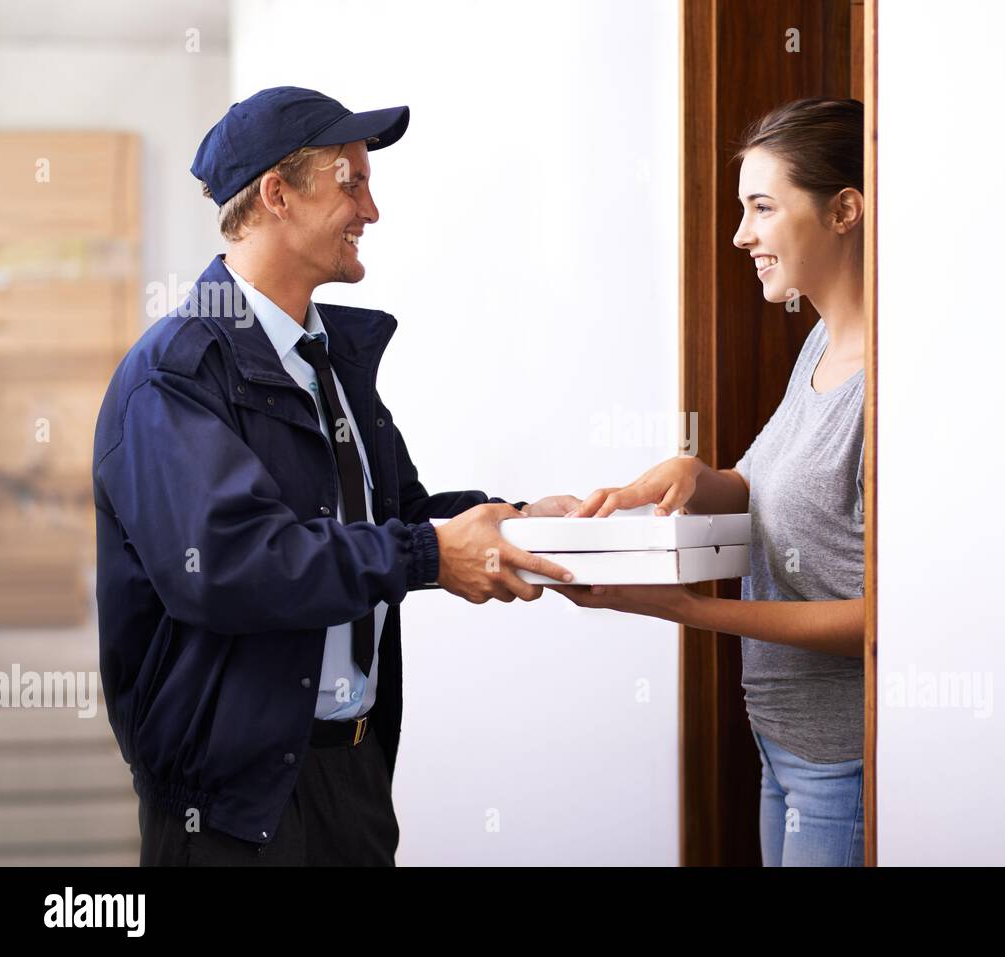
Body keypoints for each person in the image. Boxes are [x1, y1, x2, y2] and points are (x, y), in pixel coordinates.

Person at [92, 86, 578, 866]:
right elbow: (230, 564)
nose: (372, 210)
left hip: (350, 775)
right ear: (277, 195)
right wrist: (428, 553)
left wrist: (518, 520)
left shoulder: (331, 362)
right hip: (230, 809)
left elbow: (392, 516)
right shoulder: (175, 375)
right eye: (350, 182)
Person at [555, 98, 865, 867]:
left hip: (843, 765)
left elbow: (877, 620)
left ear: (844, 210)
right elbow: (767, 490)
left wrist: (687, 610)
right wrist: (695, 478)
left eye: (762, 207)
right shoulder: (822, 341)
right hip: (780, 743)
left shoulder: (890, 382)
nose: (741, 235)